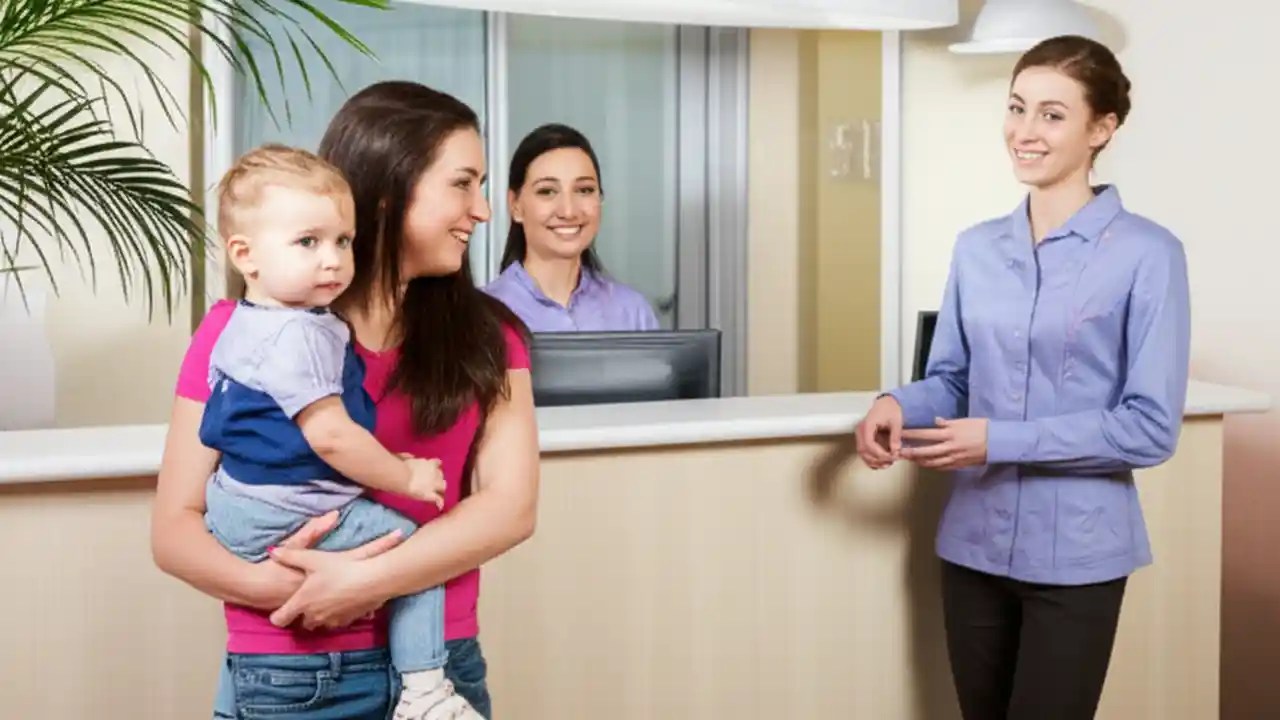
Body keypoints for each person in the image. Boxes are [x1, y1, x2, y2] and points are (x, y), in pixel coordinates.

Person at [151, 81, 540, 720]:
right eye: (463, 184)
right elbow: (175, 528)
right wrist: (294, 590)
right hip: (294, 671)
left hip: (442, 668)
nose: (483, 209)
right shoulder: (239, 335)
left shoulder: (490, 338)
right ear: (389, 189)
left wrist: (365, 581)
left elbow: (509, 508)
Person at [854, 35, 1190, 720]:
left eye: (1051, 114)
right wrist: (896, 401)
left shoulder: (1149, 255)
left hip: (1079, 561)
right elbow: (952, 378)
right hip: (973, 546)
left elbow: (1150, 429)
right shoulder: (976, 249)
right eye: (1017, 108)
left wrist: (999, 441)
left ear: (1103, 129)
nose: (1024, 132)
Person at [197, 143, 483, 719]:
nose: (332, 260)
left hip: (237, 502)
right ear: (245, 256)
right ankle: (425, 690)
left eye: (342, 242)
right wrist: (405, 473)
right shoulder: (295, 334)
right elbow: (329, 436)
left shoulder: (249, 324)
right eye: (308, 243)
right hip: (281, 512)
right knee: (410, 549)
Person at [484, 123, 660, 332]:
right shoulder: (483, 314)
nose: (568, 211)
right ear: (515, 205)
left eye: (584, 190)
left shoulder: (632, 313)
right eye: (547, 191)